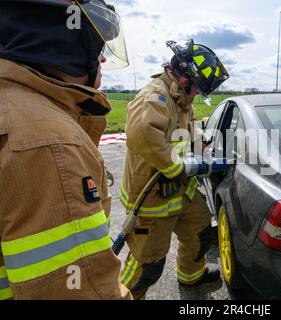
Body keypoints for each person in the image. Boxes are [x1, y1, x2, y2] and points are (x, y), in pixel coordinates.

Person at [0, 0, 131, 300]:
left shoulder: (14, 108)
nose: (102, 61)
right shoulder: (50, 143)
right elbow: (83, 291)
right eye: (96, 50)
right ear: (66, 46)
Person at [119, 40, 229, 299]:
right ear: (185, 77)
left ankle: (191, 276)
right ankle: (123, 295)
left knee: (200, 232)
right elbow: (144, 138)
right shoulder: (154, 98)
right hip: (151, 199)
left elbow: (187, 133)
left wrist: (211, 147)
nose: (196, 96)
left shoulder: (180, 98)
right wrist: (187, 165)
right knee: (147, 264)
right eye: (197, 90)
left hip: (180, 191)